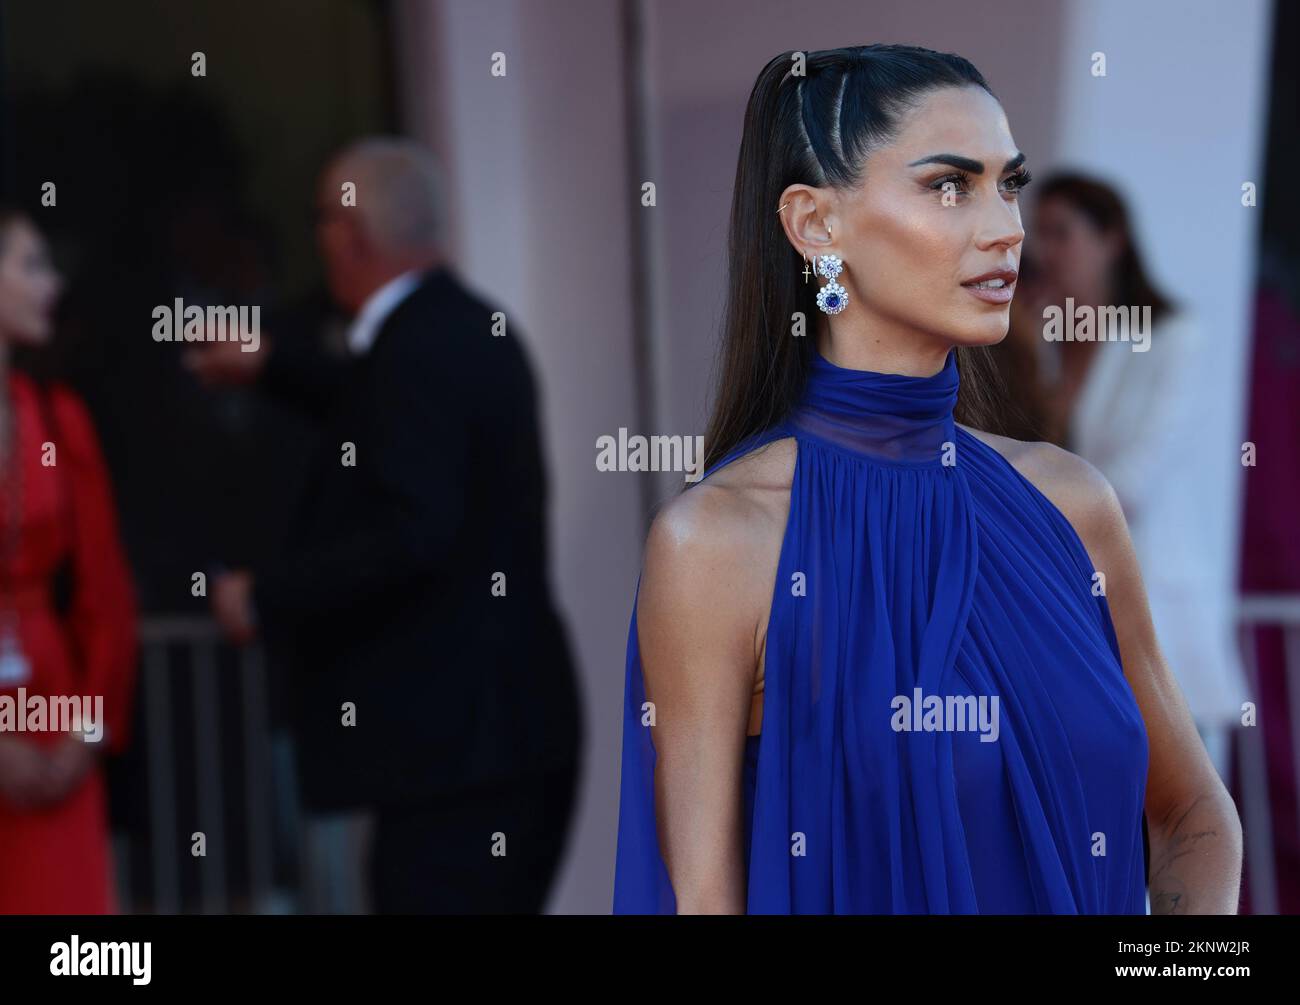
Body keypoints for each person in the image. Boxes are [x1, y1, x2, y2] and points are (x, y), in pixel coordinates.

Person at [612, 44, 1241, 914]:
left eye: (1009, 184)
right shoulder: (718, 541)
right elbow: (701, 901)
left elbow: (1192, 815)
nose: (1007, 228)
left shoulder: (1070, 504)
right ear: (814, 225)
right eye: (951, 185)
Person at [198, 138, 583, 914]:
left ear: (351, 235)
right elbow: (376, 413)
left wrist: (265, 597)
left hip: (462, 763)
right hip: (503, 741)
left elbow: (413, 530)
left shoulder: (418, 353)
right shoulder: (463, 327)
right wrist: (272, 366)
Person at [1029, 173, 1248, 778]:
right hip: (1062, 598)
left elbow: (1133, 478)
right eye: (1039, 233)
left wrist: (1021, 511)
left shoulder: (1170, 336)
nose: (1046, 251)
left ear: (1112, 240)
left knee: (1172, 804)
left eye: (1062, 233)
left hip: (1146, 588)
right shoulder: (1040, 336)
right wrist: (1032, 344)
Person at [0, 206, 138, 913]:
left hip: (56, 703)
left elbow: (104, 595)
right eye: (30, 265)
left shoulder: (58, 416)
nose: (51, 285)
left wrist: (87, 730)